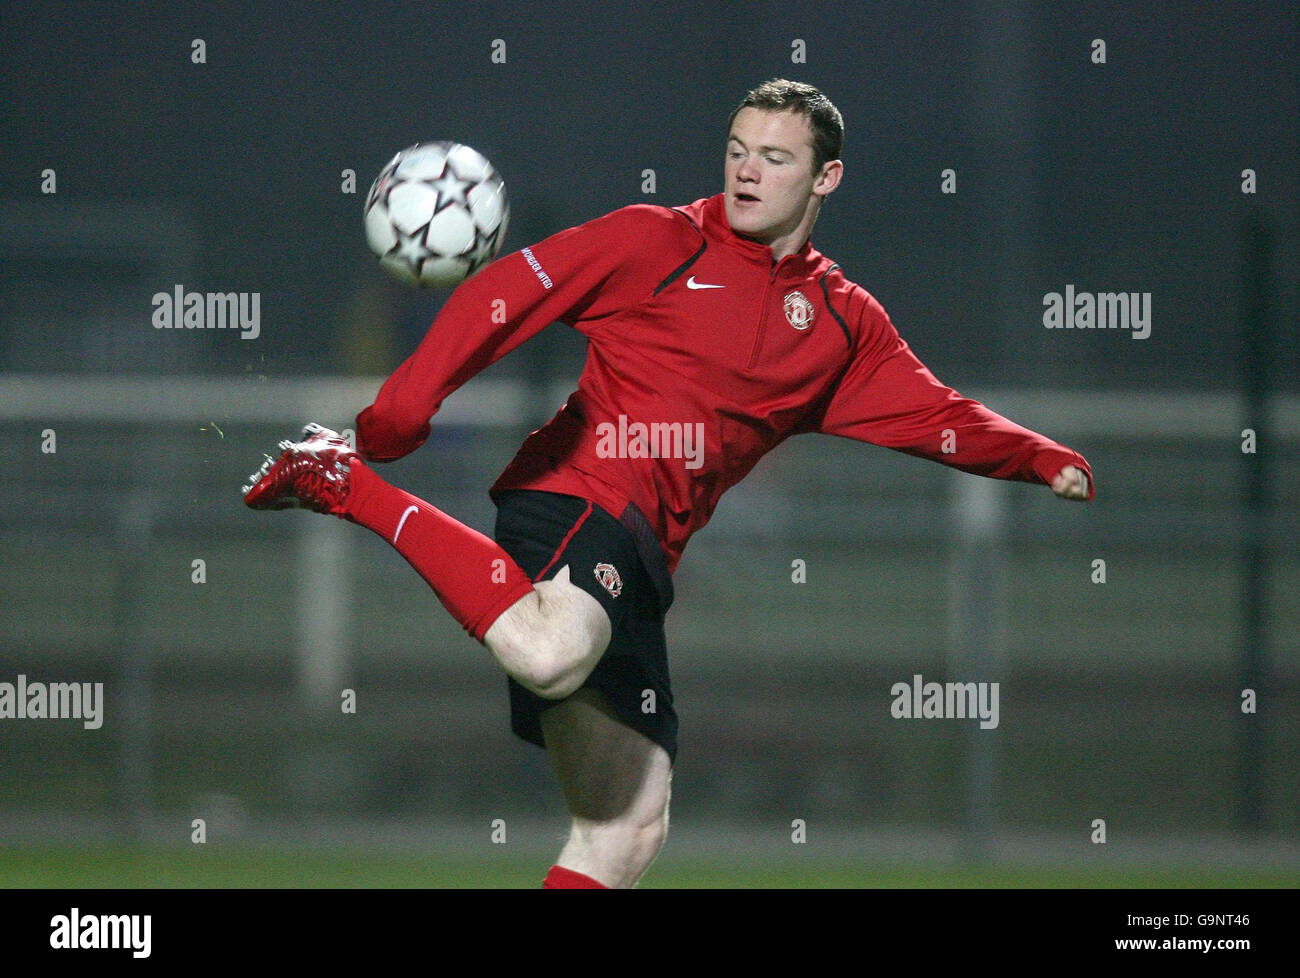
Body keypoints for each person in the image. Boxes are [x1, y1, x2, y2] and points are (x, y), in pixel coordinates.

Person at [243, 79, 1094, 889]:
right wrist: (403, 406)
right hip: (574, 497)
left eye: (774, 156)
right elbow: (506, 291)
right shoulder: (659, 241)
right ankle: (338, 481)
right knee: (549, 651)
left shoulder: (840, 323)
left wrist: (1038, 457)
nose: (747, 170)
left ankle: (344, 482)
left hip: (643, 561)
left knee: (626, 829)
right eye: (736, 150)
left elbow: (932, 411)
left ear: (826, 177)